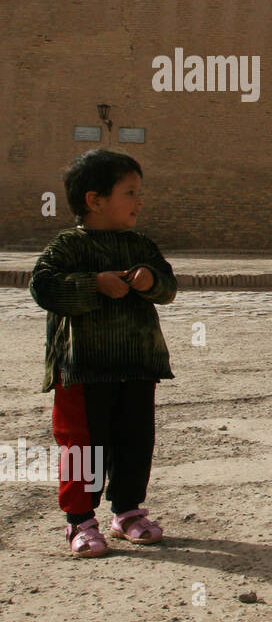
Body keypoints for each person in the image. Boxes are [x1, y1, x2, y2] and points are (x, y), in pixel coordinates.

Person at [29, 149, 177, 557]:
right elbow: (43, 288)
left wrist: (149, 281)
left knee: (134, 441)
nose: (139, 201)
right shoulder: (67, 249)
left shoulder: (141, 245)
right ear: (95, 200)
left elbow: (168, 286)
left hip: (135, 366)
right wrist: (93, 284)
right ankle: (79, 520)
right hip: (82, 371)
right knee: (82, 446)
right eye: (130, 193)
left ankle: (127, 511)